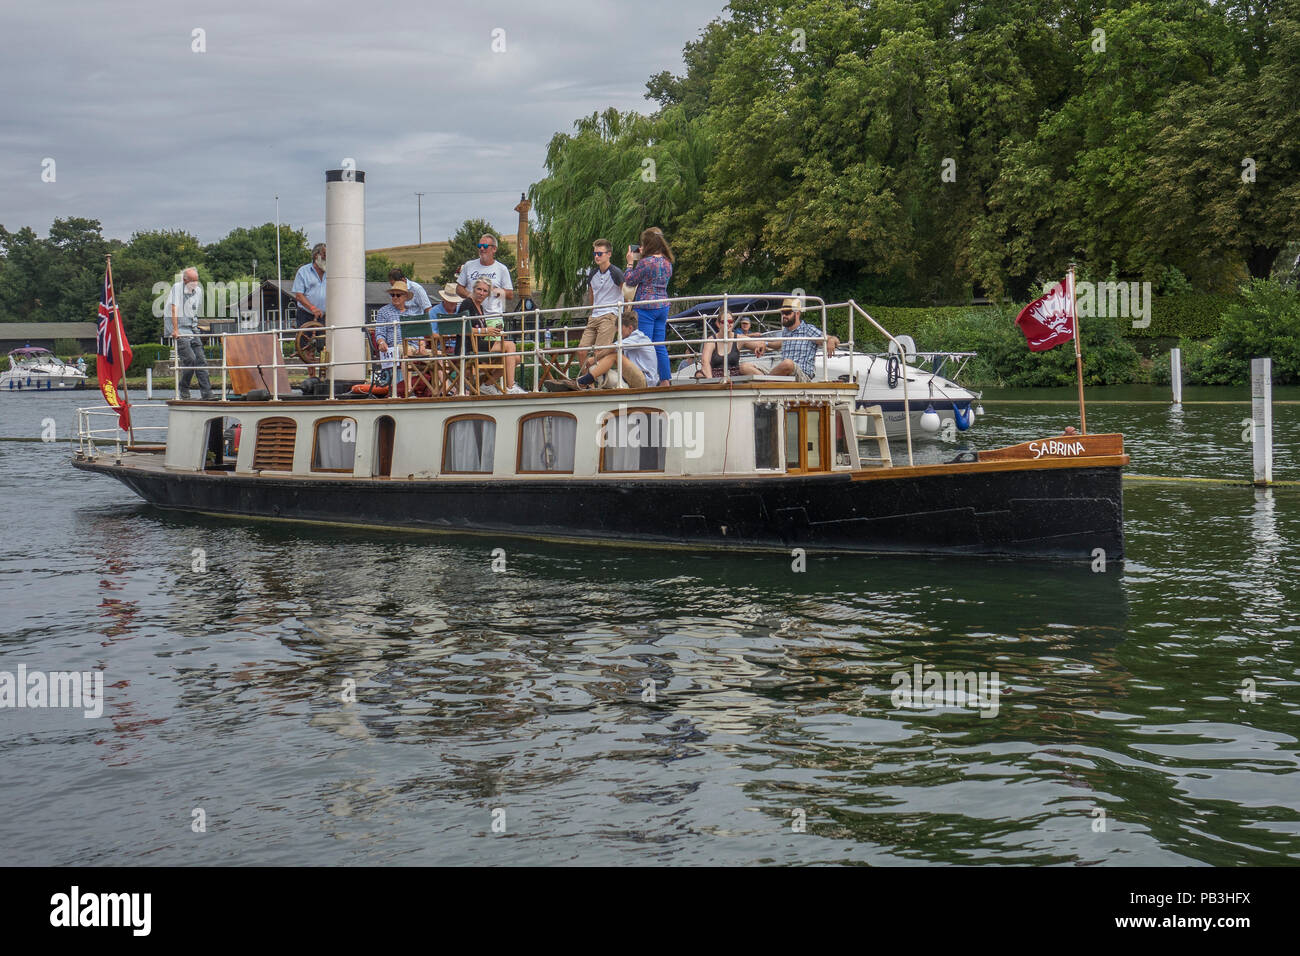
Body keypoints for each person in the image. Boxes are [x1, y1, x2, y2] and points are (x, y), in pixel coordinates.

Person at [455, 278, 524, 394]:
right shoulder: (467, 303)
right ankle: (510, 387)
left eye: (485, 291)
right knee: (510, 345)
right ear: (473, 289)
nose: (481, 293)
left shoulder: (480, 307)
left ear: (488, 294)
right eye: (479, 289)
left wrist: (493, 332)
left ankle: (487, 384)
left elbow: (479, 330)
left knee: (516, 358)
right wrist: (486, 330)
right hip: (468, 346)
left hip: (478, 344)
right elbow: (461, 329)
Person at [624, 227, 674, 385]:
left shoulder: (645, 263)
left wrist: (630, 264)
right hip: (663, 306)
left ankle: (647, 381)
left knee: (644, 345)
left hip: (645, 306)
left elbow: (630, 280)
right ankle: (665, 380)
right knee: (659, 345)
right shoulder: (667, 262)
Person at [761, 298, 840, 382]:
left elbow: (834, 339)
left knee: (788, 363)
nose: (784, 316)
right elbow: (780, 343)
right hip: (785, 374)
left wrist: (831, 340)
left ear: (797, 313)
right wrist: (765, 344)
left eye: (787, 313)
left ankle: (764, 383)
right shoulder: (786, 332)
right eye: (782, 313)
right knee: (746, 367)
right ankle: (766, 382)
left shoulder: (808, 329)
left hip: (802, 376)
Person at [575, 310, 658, 390]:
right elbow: (611, 349)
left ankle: (583, 382)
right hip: (637, 378)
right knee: (608, 358)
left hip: (646, 382)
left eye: (620, 328)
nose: (618, 331)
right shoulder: (629, 340)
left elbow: (613, 347)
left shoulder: (638, 337)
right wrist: (599, 357)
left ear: (630, 328)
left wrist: (594, 359)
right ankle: (588, 382)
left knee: (615, 356)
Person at [578, 239, 625, 376]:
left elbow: (626, 294)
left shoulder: (616, 272)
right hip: (595, 314)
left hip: (610, 314)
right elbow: (591, 295)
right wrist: (593, 310)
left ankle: (598, 380)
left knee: (599, 351)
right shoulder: (593, 274)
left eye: (600, 253)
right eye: (595, 254)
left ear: (608, 254)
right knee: (581, 350)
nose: (596, 257)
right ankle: (586, 382)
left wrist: (623, 313)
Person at [166, 267, 212, 400]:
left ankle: (207, 393)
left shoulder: (198, 291)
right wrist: (175, 330)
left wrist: (196, 330)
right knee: (190, 359)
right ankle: (184, 388)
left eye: (197, 280)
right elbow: (174, 309)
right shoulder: (177, 288)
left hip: (191, 327)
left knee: (201, 359)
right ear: (184, 280)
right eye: (192, 281)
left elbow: (193, 312)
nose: (195, 283)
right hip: (179, 327)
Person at [455, 234, 513, 321]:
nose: (482, 249)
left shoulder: (502, 269)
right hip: (472, 317)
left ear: (494, 249)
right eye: (479, 246)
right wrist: (471, 296)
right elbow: (459, 289)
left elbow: (510, 295)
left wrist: (492, 291)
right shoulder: (469, 265)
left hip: (493, 317)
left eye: (485, 246)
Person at [699, 312, 766, 378]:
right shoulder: (711, 341)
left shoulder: (738, 338)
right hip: (714, 376)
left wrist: (762, 345)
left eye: (730, 321)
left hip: (734, 377)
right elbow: (705, 362)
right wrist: (712, 384)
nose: (728, 324)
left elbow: (759, 343)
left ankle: (767, 382)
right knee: (700, 375)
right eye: (724, 322)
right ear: (718, 324)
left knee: (745, 367)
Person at [371, 280, 410, 392]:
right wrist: (381, 342)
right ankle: (408, 391)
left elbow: (419, 333)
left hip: (414, 347)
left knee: (441, 357)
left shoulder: (413, 312)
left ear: (405, 297)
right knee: (405, 354)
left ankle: (447, 391)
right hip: (395, 348)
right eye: (392, 295)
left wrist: (421, 343)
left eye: (398, 295)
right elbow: (380, 332)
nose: (395, 297)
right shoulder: (384, 311)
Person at [292, 244, 327, 326]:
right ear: (316, 256)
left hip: (325, 317)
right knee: (304, 339)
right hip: (305, 316)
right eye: (325, 255)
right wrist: (313, 308)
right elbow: (299, 295)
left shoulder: (332, 273)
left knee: (323, 339)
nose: (327, 258)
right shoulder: (303, 271)